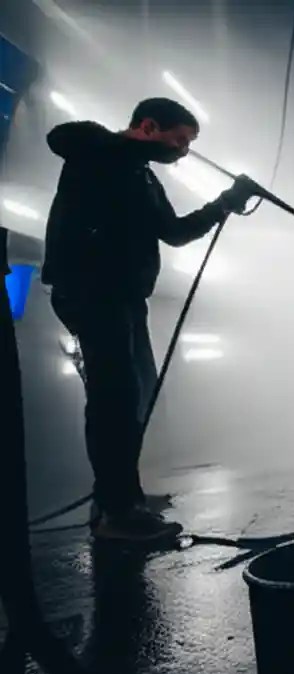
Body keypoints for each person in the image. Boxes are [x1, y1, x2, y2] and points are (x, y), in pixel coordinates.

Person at [42, 97, 259, 542]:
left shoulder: (142, 177)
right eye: (179, 140)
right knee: (115, 396)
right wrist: (138, 148)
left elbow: (175, 233)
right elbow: (61, 136)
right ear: (147, 126)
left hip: (122, 296)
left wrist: (227, 202)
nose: (183, 151)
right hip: (90, 290)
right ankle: (119, 513)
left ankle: (119, 496)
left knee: (134, 393)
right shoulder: (95, 152)